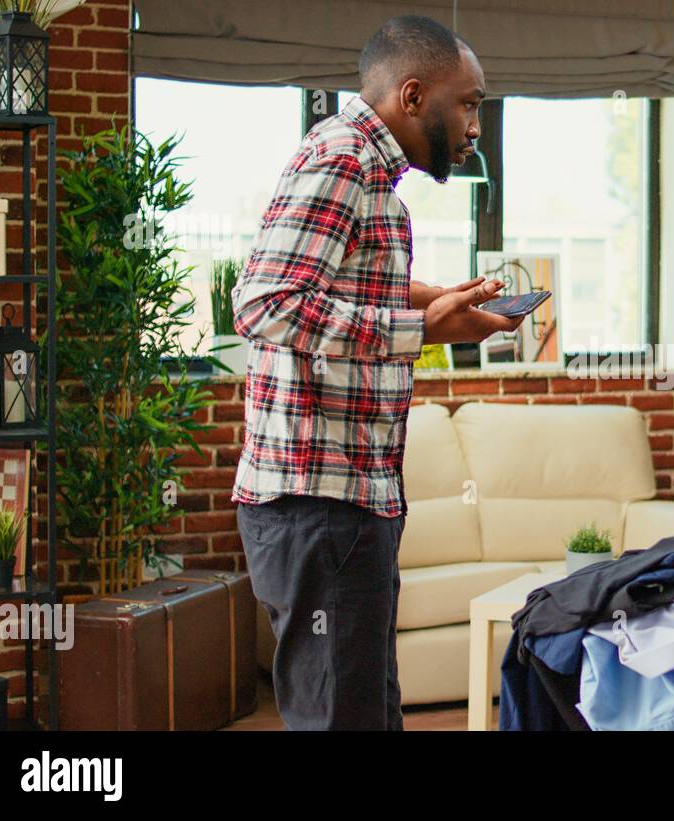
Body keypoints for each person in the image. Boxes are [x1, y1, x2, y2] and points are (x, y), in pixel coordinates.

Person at [230, 15, 522, 730]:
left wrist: (438, 298)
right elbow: (265, 303)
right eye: (471, 103)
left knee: (363, 713)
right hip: (317, 499)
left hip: (346, 502)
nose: (476, 126)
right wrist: (422, 329)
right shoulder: (344, 160)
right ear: (415, 95)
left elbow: (342, 287)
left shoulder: (368, 171)